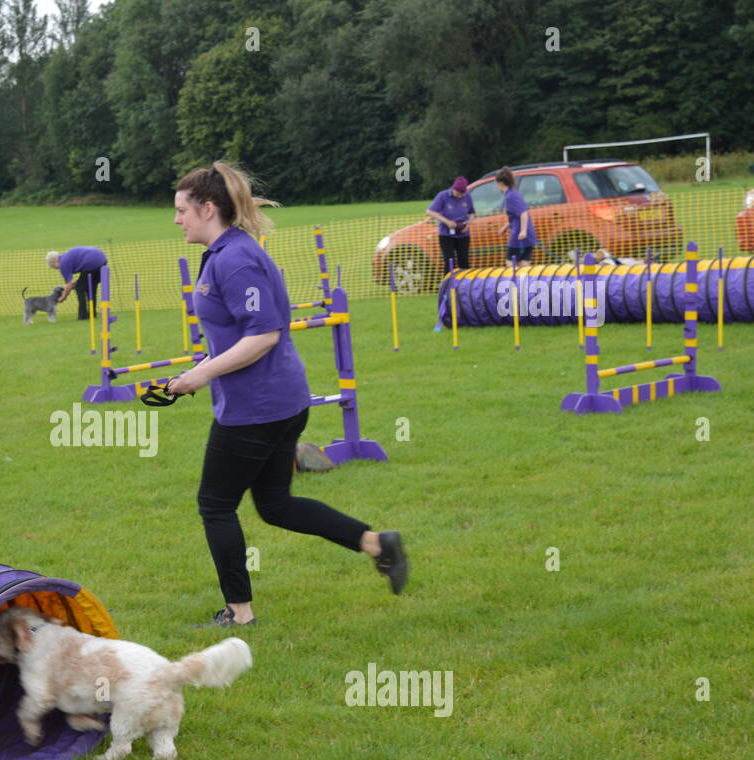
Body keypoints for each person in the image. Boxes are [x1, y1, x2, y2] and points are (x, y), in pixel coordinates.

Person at [165, 162, 408, 626]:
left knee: (215, 505)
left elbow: (263, 336)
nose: (177, 219)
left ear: (208, 208)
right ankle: (379, 544)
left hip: (258, 408)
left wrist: (201, 375)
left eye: (182, 210)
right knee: (275, 505)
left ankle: (239, 615)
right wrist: (201, 370)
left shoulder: (236, 259)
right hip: (274, 402)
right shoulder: (224, 252)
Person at [426, 176, 475, 274]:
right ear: (454, 188)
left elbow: (472, 213)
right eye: (458, 193)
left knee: (464, 262)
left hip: (463, 235)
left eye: (462, 193)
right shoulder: (443, 196)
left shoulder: (467, 197)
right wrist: (447, 222)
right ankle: (447, 286)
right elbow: (430, 211)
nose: (460, 196)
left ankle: (464, 286)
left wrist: (469, 223)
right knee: (449, 262)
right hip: (446, 235)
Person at [46, 246, 107, 322]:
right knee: (91, 286)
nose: (55, 269)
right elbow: (78, 281)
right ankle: (92, 314)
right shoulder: (66, 256)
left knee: (80, 288)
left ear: (55, 262)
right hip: (102, 259)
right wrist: (73, 284)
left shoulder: (63, 264)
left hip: (91, 262)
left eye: (53, 267)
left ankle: (83, 316)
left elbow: (68, 285)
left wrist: (63, 297)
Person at [494, 167, 535, 266]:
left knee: (510, 262)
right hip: (527, 233)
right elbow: (516, 216)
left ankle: (517, 281)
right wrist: (505, 227)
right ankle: (526, 281)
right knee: (523, 262)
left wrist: (523, 231)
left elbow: (523, 213)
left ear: (500, 184)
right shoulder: (514, 193)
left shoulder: (510, 197)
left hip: (519, 235)